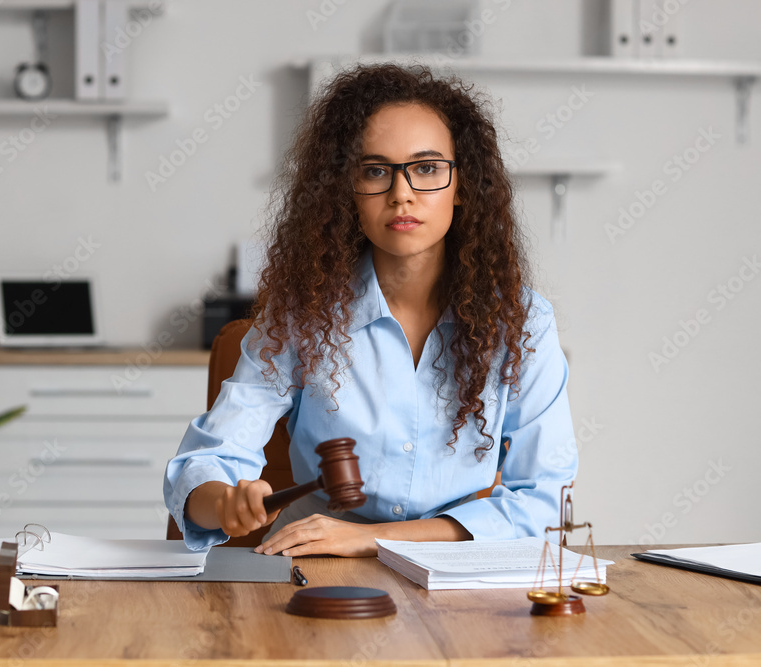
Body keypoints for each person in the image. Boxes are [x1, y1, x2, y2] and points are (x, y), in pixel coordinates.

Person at [163, 63, 578, 557]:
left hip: (456, 572)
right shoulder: (303, 314)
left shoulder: (522, 322)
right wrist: (223, 501)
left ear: (461, 185)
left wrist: (372, 539)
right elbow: (208, 460)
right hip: (317, 563)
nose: (401, 193)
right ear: (347, 189)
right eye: (376, 171)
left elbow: (546, 499)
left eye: (426, 168)